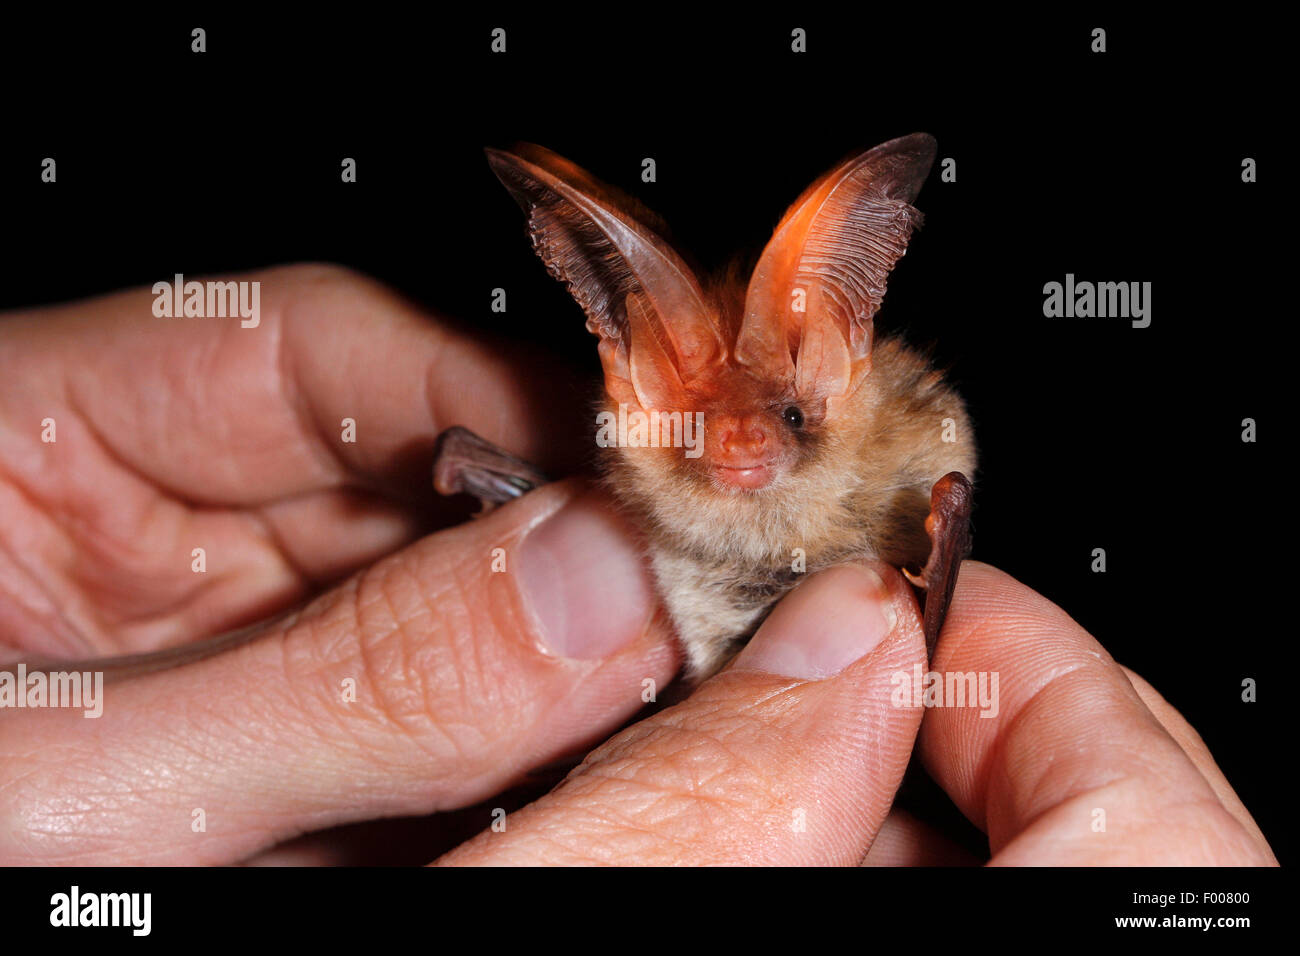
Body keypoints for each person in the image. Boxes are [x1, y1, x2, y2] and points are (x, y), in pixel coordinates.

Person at [0, 266, 1276, 866]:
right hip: (693, 674)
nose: (729, 456)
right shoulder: (638, 467)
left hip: (808, 621)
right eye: (693, 428)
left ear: (814, 400)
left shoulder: (885, 451)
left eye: (764, 425)